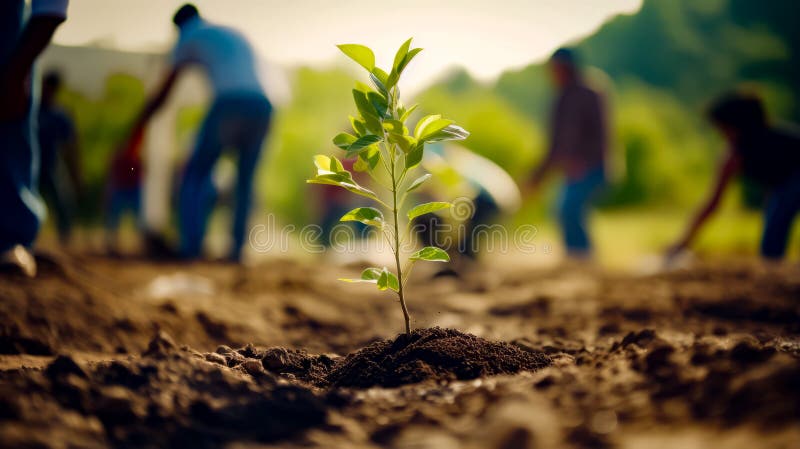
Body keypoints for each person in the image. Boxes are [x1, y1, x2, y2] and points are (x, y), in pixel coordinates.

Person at [118, 3, 272, 262]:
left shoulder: (189, 36)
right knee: (245, 180)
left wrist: (140, 123)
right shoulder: (229, 32)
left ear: (178, 26)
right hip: (263, 105)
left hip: (229, 104)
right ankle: (237, 251)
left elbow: (165, 91)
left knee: (195, 174)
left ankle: (191, 246)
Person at [668, 92, 800, 260]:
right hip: (787, 186)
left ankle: (772, 264)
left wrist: (682, 243)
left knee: (777, 215)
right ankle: (772, 262)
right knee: (776, 211)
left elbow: (712, 202)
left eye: (721, 128)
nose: (720, 134)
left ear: (735, 126)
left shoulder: (739, 154)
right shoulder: (770, 139)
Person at [0, 0, 69, 276]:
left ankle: (10, 239)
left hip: (49, 166)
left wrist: (16, 74)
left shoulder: (59, 115)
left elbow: (51, 8)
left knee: (61, 199)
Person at [526, 47, 608, 258]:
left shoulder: (590, 92)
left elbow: (602, 134)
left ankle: (582, 258)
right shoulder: (561, 98)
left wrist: (584, 160)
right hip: (574, 169)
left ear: (567, 68)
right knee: (564, 209)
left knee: (568, 208)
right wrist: (537, 176)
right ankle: (577, 257)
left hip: (594, 166)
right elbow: (556, 145)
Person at [38, 70, 81, 245]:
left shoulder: (59, 115)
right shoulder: (30, 109)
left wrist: (76, 174)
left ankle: (65, 239)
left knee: (63, 203)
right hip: (30, 164)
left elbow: (71, 146)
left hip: (52, 165)